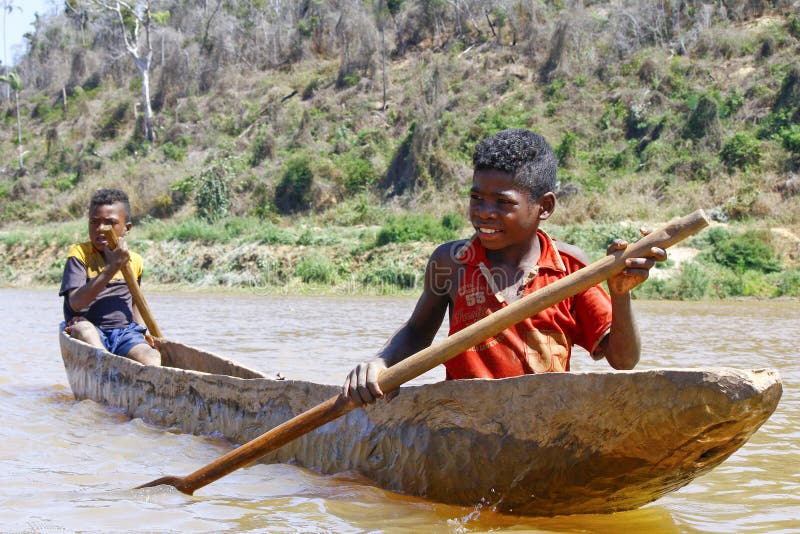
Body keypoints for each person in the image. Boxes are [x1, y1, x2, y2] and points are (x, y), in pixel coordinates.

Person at [343, 129, 665, 405]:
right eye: (476, 198)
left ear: (545, 207)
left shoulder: (573, 270)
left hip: (543, 420)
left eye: (503, 202)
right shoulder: (450, 263)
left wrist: (620, 294)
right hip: (463, 421)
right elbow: (417, 333)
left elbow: (623, 361)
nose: (484, 213)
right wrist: (381, 362)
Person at [59, 188, 161, 366]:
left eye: (109, 223)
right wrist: (113, 266)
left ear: (126, 228)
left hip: (124, 333)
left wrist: (144, 334)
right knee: (86, 332)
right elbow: (75, 303)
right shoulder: (80, 254)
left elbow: (135, 302)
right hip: (89, 327)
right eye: (94, 222)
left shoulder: (135, 260)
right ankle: (106, 366)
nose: (100, 229)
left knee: (151, 358)